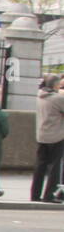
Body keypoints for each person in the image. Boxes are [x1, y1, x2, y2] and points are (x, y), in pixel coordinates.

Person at [31, 75, 64, 203]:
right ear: (55, 85)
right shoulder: (57, 98)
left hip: (42, 135)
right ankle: (49, 195)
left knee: (40, 165)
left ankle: (35, 194)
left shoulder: (40, 96)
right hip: (56, 135)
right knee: (54, 167)